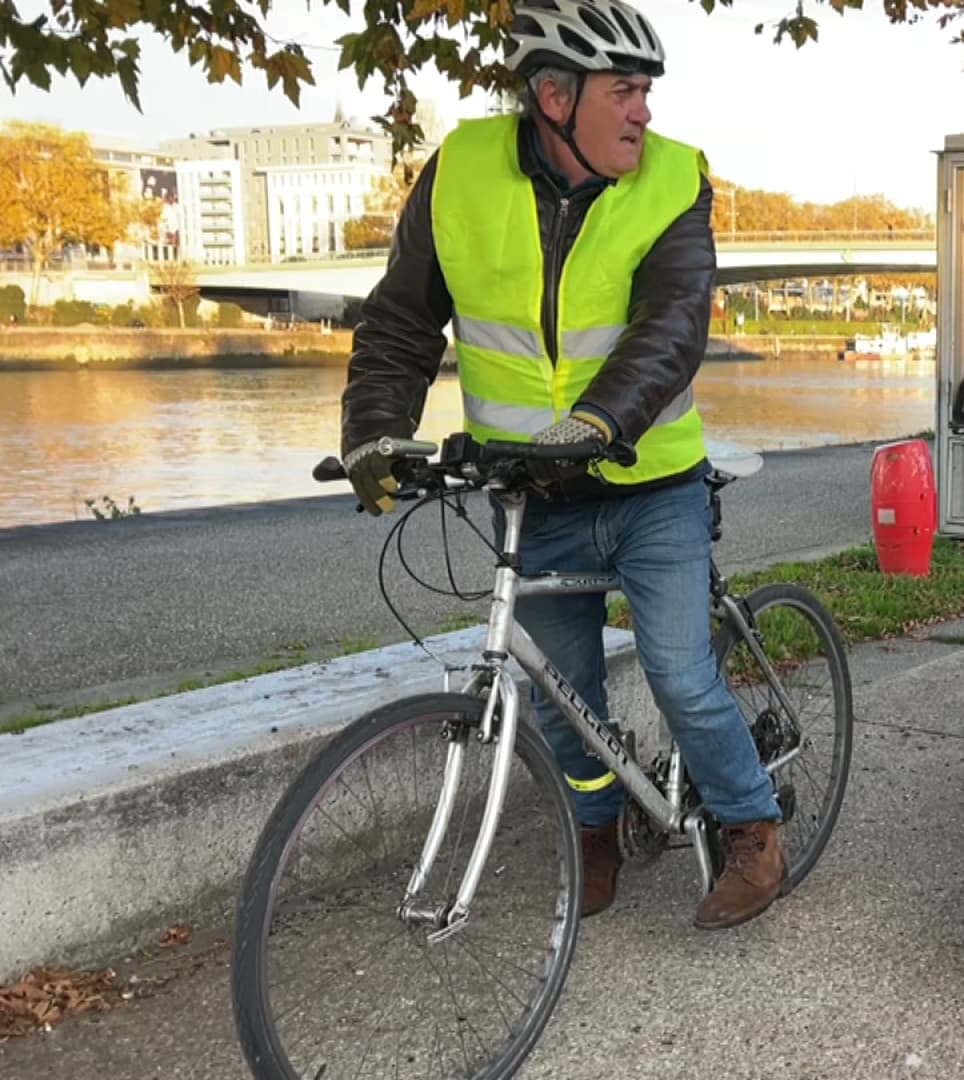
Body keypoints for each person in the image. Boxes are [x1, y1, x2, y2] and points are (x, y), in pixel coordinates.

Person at [337, 0, 786, 930]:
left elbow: (672, 328)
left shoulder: (672, 180)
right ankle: (595, 824)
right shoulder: (459, 171)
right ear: (552, 94)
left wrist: (596, 421)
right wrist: (376, 431)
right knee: (563, 695)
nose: (644, 112)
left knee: (678, 671)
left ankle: (752, 827)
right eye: (625, 90)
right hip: (529, 492)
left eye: (647, 91)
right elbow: (402, 319)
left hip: (648, 480)